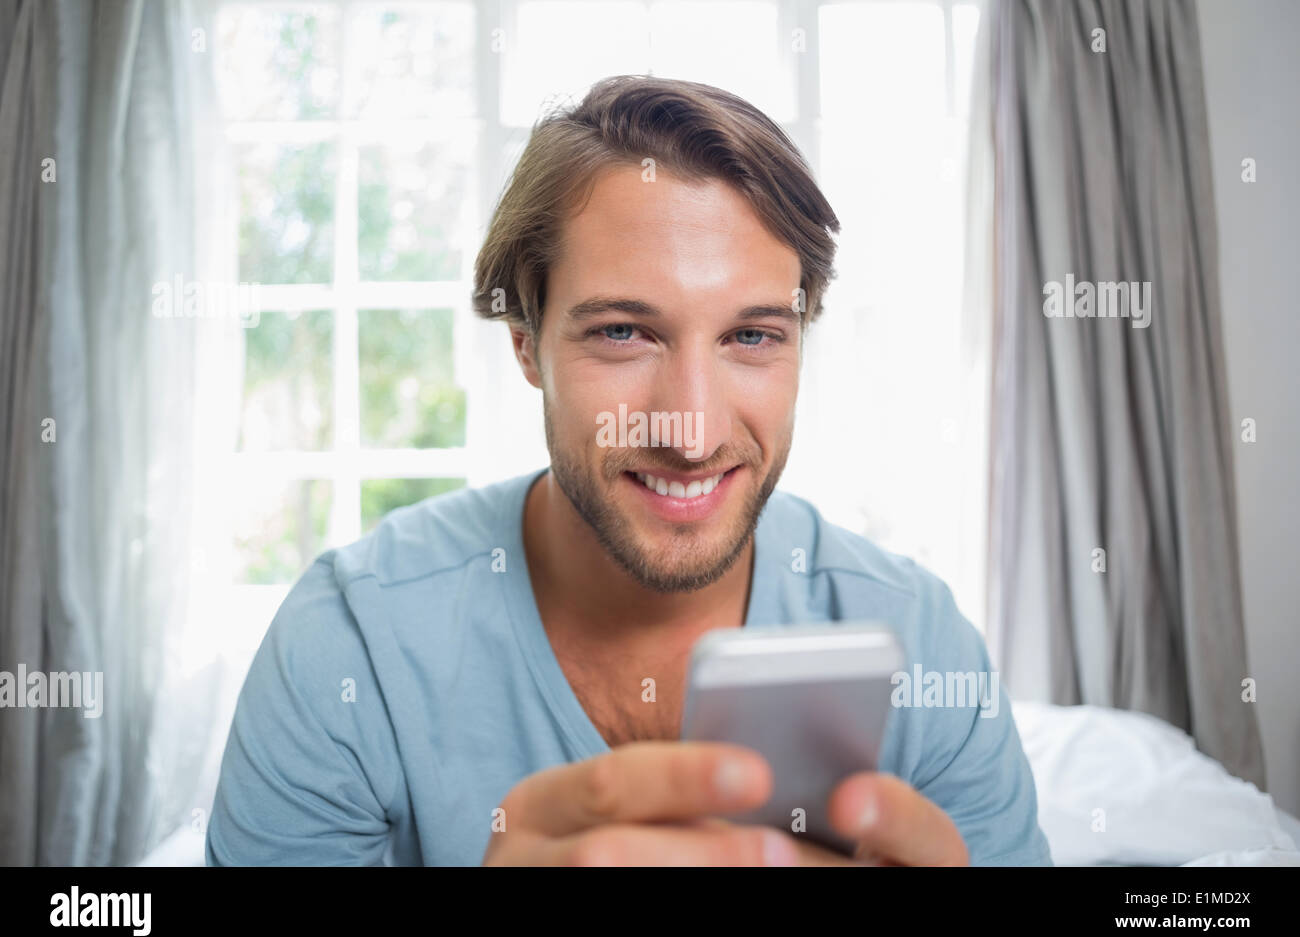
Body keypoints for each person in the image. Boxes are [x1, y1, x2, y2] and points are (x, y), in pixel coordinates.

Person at [206, 75, 1052, 867]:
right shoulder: (348, 647)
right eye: (623, 332)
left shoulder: (922, 646)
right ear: (526, 342)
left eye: (751, 336)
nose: (691, 431)